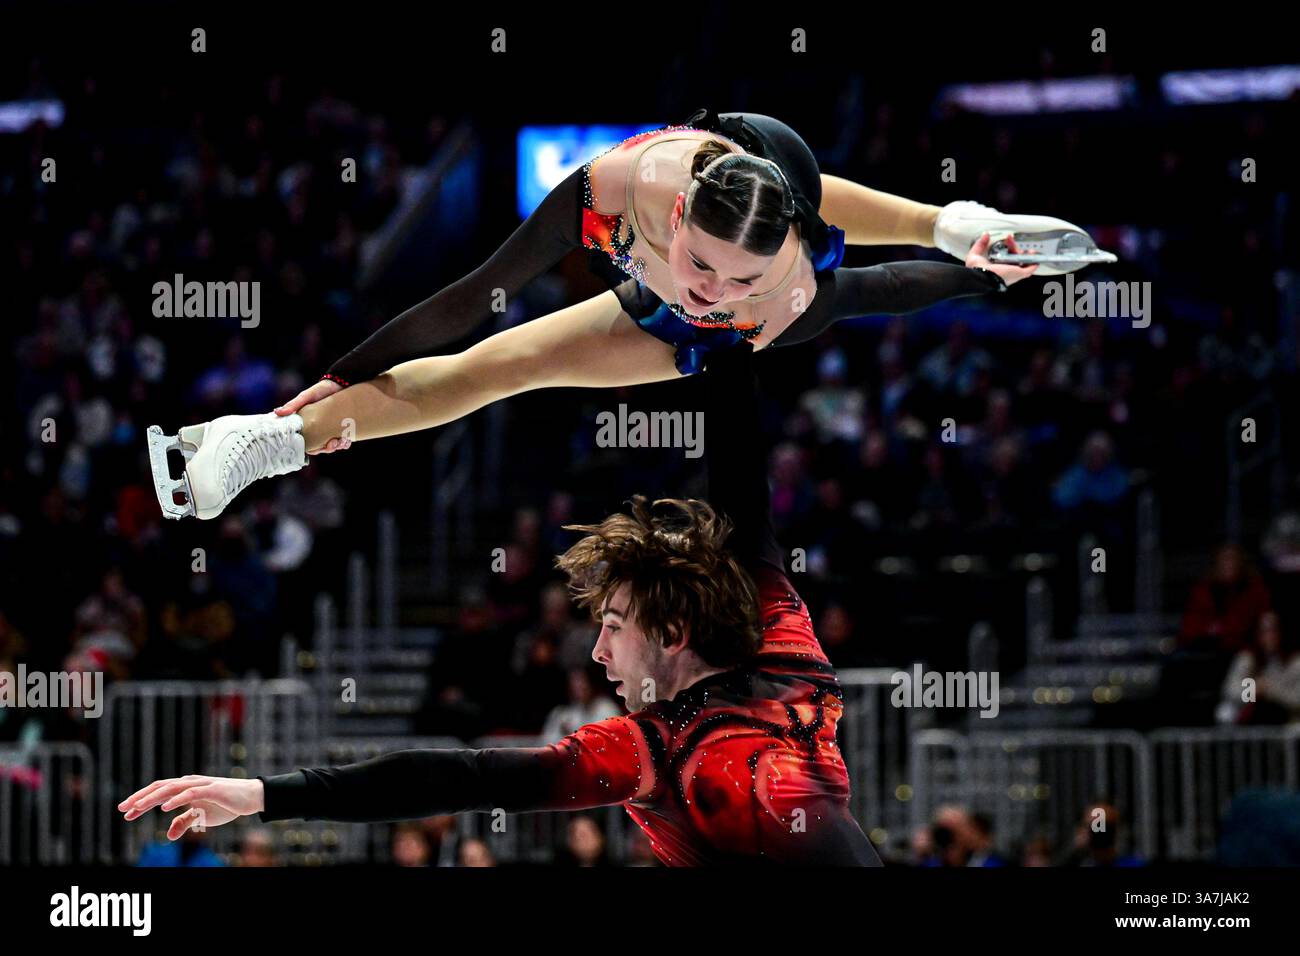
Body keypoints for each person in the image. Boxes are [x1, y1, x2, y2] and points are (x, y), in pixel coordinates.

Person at [120, 344, 883, 865]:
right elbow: (743, 472)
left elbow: (462, 778)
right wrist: (727, 335)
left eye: (614, 628)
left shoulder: (684, 756)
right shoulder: (780, 636)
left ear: (675, 632)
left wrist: (262, 796)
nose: (597, 652)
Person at [147, 109, 1093, 521]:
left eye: (735, 278)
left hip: (795, 300)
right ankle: (262, 441)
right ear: (673, 215)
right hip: (663, 295)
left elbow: (871, 262)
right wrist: (348, 370)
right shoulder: (606, 190)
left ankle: (1004, 270)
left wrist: (958, 231)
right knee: (495, 364)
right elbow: (475, 297)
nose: (712, 292)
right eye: (703, 268)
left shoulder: (778, 270)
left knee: (862, 296)